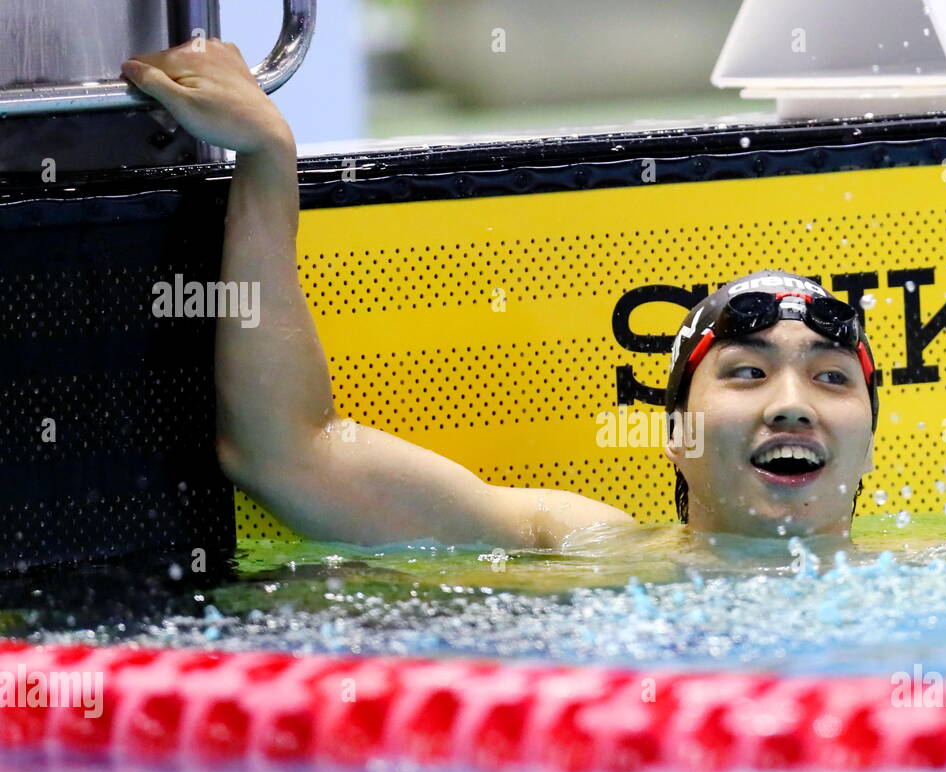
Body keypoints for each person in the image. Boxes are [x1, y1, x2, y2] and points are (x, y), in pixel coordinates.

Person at [120, 40, 880, 552]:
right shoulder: (582, 550)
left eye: (831, 376)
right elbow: (288, 451)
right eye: (747, 372)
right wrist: (265, 156)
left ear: (872, 439)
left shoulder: (939, 575)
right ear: (676, 432)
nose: (792, 404)